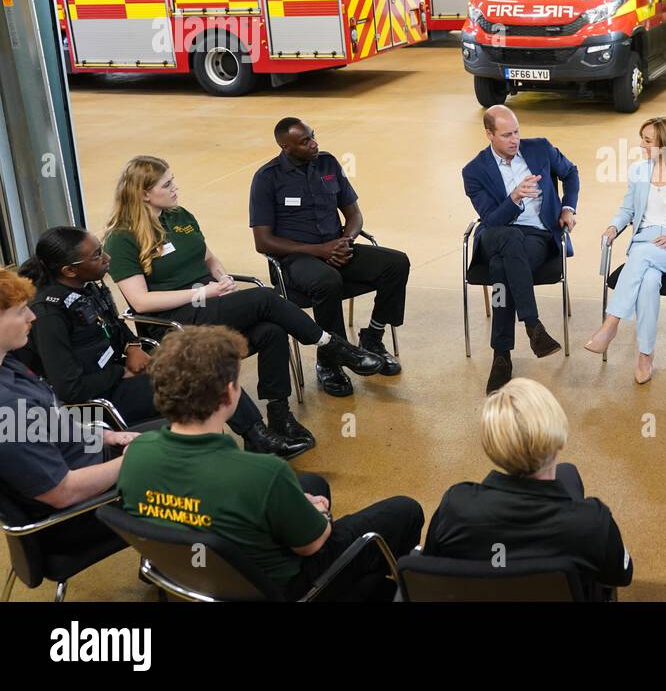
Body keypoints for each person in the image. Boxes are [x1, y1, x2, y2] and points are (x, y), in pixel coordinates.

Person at [104, 156, 385, 458]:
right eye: (167, 184)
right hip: (173, 322)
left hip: (211, 303)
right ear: (144, 193)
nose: (175, 188)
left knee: (271, 330)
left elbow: (208, 258)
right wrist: (204, 292)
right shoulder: (121, 239)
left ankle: (277, 418)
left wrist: (222, 278)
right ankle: (333, 346)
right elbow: (140, 302)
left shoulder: (179, 215)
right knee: (264, 298)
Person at [117, 326, 424, 601]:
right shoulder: (263, 472)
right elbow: (313, 545)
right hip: (278, 588)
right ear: (228, 394)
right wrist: (318, 514)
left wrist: (296, 501)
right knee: (404, 510)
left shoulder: (135, 454)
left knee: (312, 484)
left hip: (197, 576)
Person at [423, 377, 632, 598]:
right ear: (561, 440)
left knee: (567, 473)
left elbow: (432, 566)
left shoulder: (455, 507)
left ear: (492, 446)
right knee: (568, 473)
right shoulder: (593, 522)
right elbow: (621, 575)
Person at [250, 117, 410, 397]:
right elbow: (263, 241)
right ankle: (330, 360)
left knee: (396, 263)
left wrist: (345, 241)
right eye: (305, 141)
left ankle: (371, 338)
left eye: (313, 136)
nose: (314, 144)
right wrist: (319, 251)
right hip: (295, 260)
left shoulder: (328, 163)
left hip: (336, 249)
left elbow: (354, 214)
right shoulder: (267, 178)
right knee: (327, 281)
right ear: (285, 147)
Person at [0, 268, 141, 561]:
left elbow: (53, 423)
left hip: (86, 462)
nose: (32, 318)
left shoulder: (7, 365)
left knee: (182, 441)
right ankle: (182, 571)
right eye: (21, 311)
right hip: (75, 517)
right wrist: (135, 461)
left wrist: (107, 435)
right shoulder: (9, 408)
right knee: (195, 467)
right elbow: (61, 492)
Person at [462, 106, 580, 394]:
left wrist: (568, 207)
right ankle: (532, 323)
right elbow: (491, 220)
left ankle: (501, 356)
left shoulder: (540, 149)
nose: (514, 139)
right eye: (506, 135)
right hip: (496, 234)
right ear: (489, 135)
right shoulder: (474, 171)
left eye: (516, 131)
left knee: (502, 269)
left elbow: (571, 172)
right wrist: (515, 197)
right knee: (508, 239)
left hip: (536, 236)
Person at [584, 116, 666, 384]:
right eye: (642, 139)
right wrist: (613, 227)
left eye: (647, 140)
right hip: (645, 240)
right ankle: (645, 356)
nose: (641, 145)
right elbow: (627, 208)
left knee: (640, 255)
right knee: (648, 282)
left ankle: (610, 325)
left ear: (665, 142)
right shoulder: (639, 171)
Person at [16, 227, 159, 425]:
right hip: (92, 405)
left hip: (113, 376)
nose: (107, 257)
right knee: (189, 390)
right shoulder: (48, 314)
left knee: (190, 371)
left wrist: (132, 346)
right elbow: (70, 389)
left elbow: (114, 323)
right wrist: (120, 372)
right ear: (70, 270)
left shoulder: (85, 286)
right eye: (97, 256)